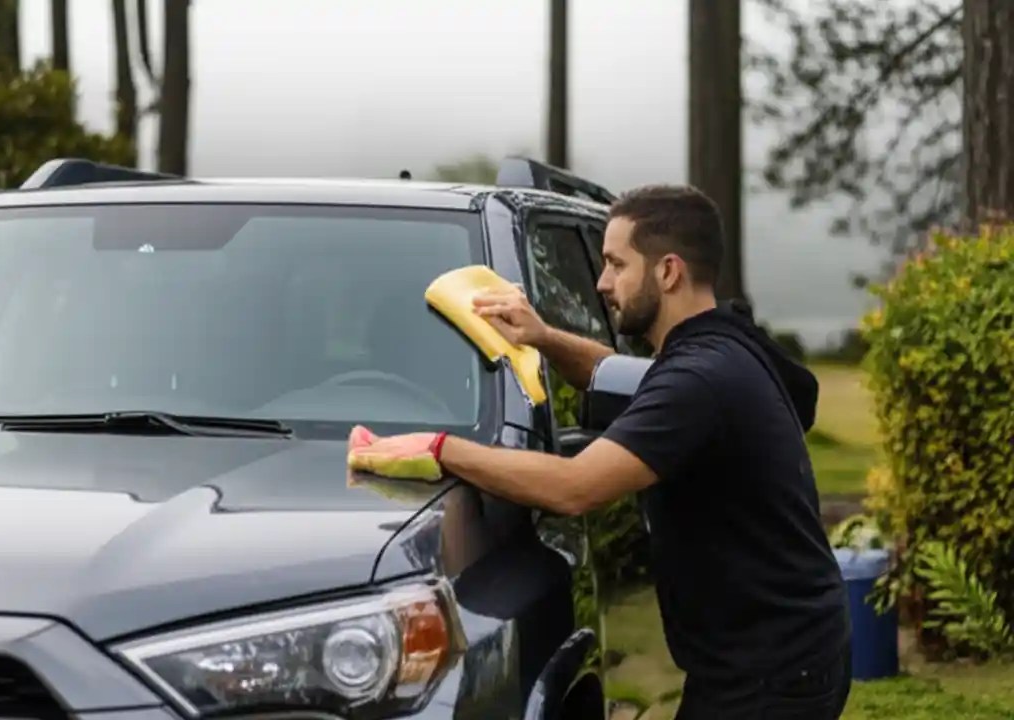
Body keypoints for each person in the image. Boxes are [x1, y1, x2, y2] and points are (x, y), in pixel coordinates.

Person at [349, 185, 852, 719]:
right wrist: (542, 336)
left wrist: (441, 449)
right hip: (778, 653)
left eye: (616, 264)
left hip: (770, 674)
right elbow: (611, 373)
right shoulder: (718, 345)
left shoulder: (698, 380)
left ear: (668, 272)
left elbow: (574, 487)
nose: (602, 282)